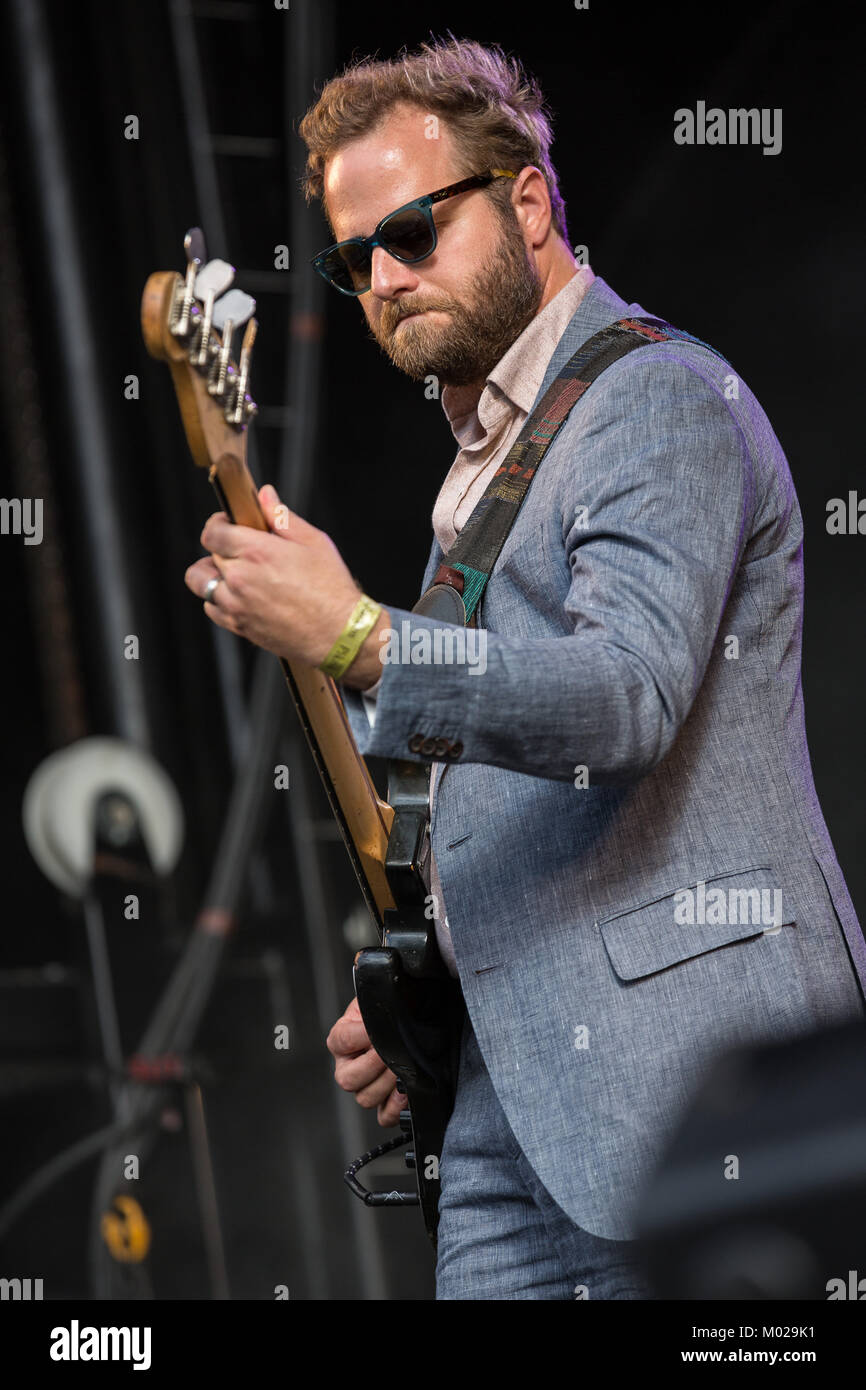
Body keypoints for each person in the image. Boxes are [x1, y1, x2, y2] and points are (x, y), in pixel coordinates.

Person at [185, 36, 866, 1299]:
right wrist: (429, 975)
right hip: (513, 1112)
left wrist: (358, 635)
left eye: (408, 230)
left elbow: (623, 695)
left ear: (529, 202)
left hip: (697, 1093)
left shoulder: (656, 397)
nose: (382, 278)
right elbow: (497, 789)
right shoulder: (486, 475)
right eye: (352, 262)